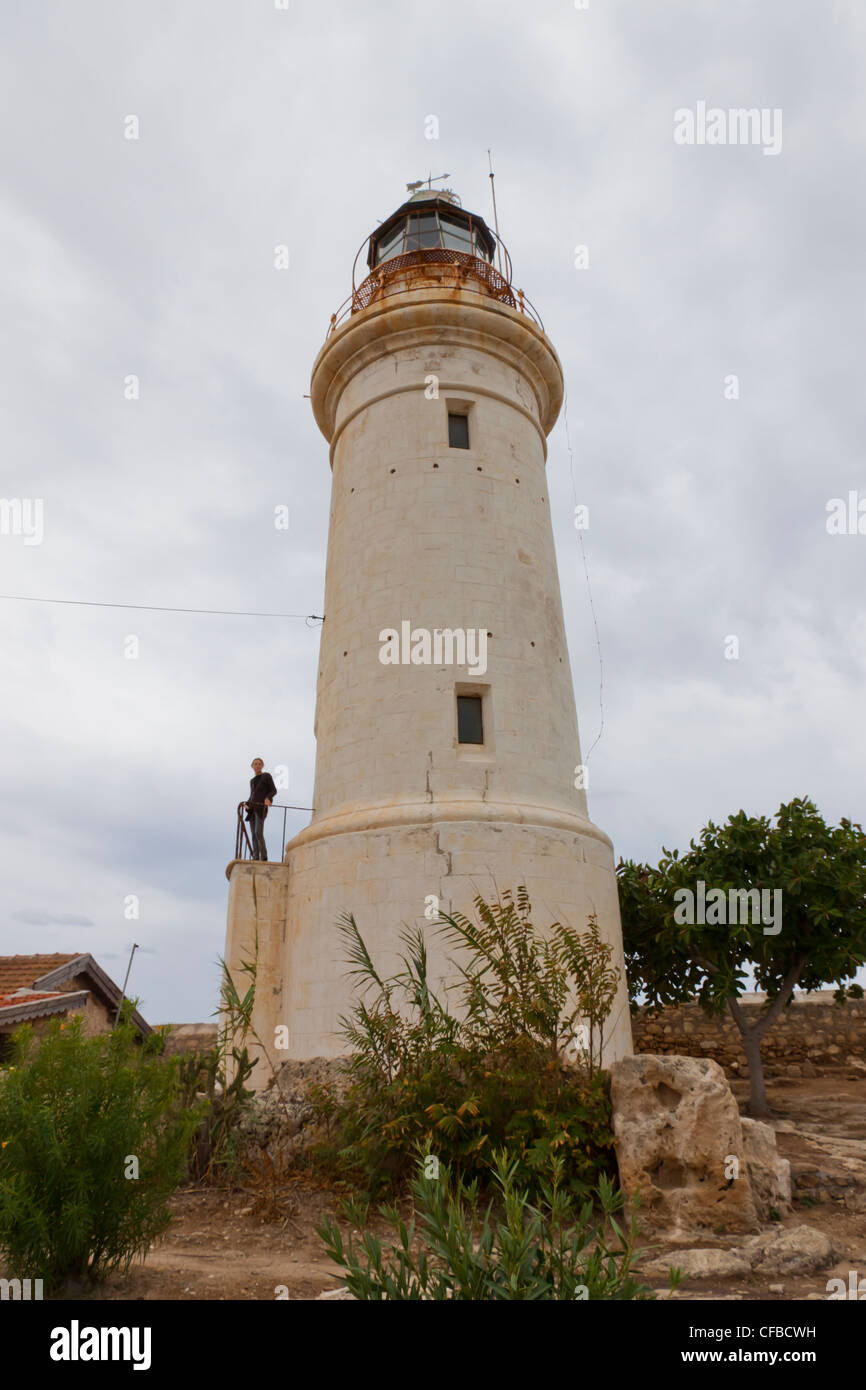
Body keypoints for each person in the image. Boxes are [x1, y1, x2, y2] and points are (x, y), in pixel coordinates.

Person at [244, 757, 277, 861]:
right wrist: (247, 804)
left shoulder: (266, 776)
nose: (257, 765)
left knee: (258, 832)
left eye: (259, 764)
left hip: (260, 808)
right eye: (255, 764)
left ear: (262, 765)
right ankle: (255, 857)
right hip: (252, 809)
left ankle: (264, 856)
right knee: (253, 834)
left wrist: (267, 798)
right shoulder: (252, 781)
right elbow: (252, 795)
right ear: (252, 766)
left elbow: (273, 790)